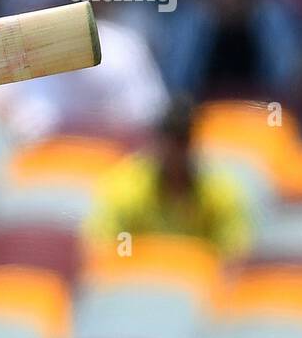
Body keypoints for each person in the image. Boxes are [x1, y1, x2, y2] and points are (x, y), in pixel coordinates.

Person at [84, 97, 253, 260]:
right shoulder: (123, 187)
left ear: (194, 142)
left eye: (182, 140)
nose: (174, 150)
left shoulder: (220, 192)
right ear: (156, 140)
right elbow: (103, 252)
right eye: (169, 139)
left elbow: (234, 258)